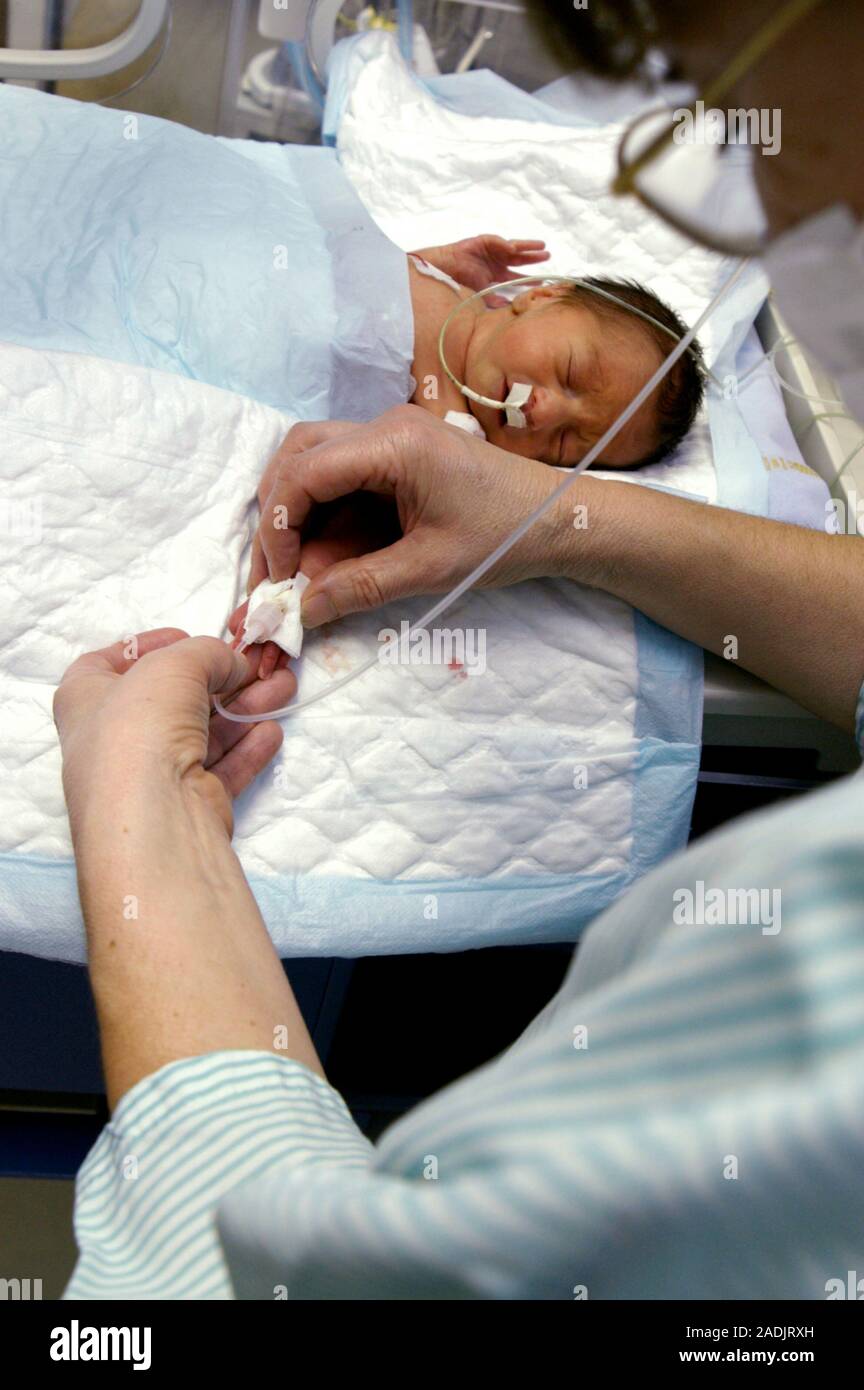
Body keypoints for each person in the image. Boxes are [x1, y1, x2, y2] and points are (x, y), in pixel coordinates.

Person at [58, 0, 864, 1298]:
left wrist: (138, 812)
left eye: (774, 153)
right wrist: (555, 510)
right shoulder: (467, 286)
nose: (539, 408)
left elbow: (286, 1282)